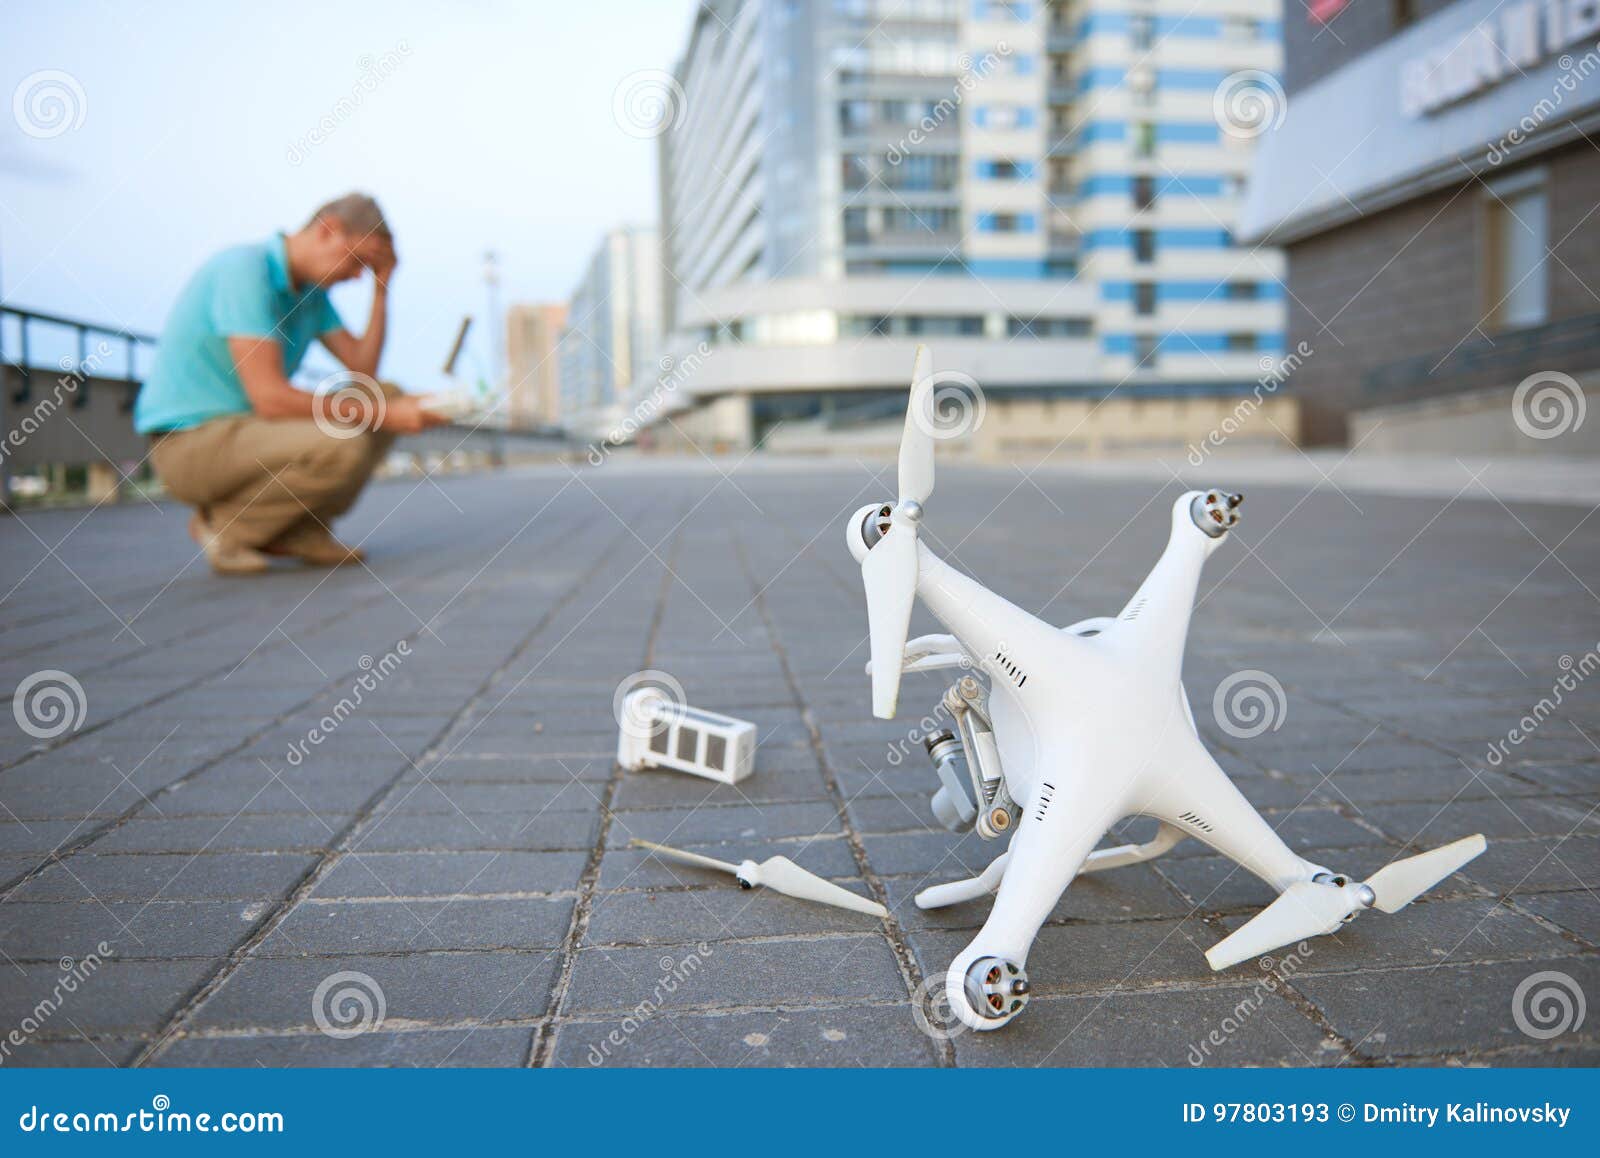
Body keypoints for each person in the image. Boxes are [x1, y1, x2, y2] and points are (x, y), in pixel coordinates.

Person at [134, 193, 447, 575]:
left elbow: (362, 372)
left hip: (248, 433)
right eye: (357, 261)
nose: (357, 277)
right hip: (192, 443)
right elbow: (270, 399)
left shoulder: (311, 295)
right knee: (346, 440)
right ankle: (226, 530)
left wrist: (382, 291)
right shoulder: (245, 272)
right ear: (327, 229)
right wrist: (385, 414)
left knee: (385, 395)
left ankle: (302, 530)